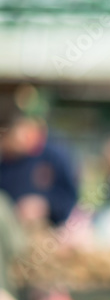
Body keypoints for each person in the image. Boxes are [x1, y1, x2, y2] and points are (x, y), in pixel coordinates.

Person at [0, 92, 79, 228]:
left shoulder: (54, 154)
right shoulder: (5, 162)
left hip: (50, 232)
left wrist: (46, 205)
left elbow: (70, 199)